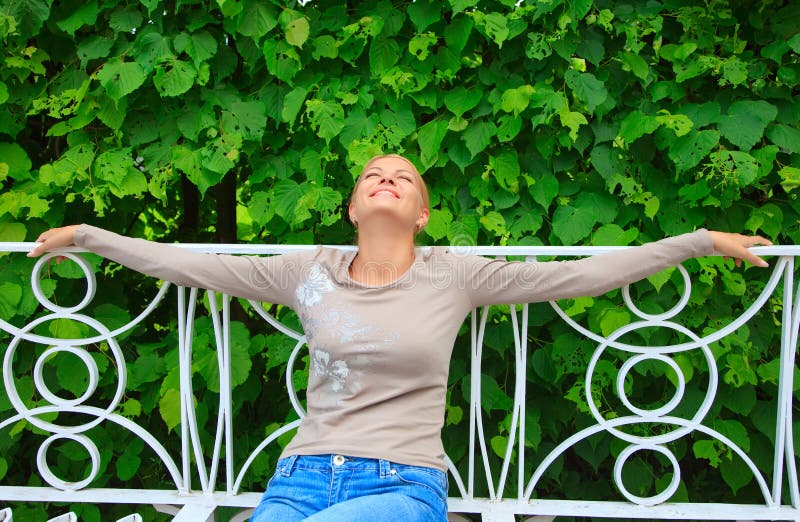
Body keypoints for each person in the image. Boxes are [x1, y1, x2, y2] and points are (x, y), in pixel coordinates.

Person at [28, 154, 772, 521]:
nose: (386, 179)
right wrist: (91, 235)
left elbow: (580, 275)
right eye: (372, 176)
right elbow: (187, 263)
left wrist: (698, 241)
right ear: (353, 207)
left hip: (403, 485)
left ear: (421, 213)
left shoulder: (456, 275)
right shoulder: (305, 272)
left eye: (403, 178)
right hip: (299, 481)